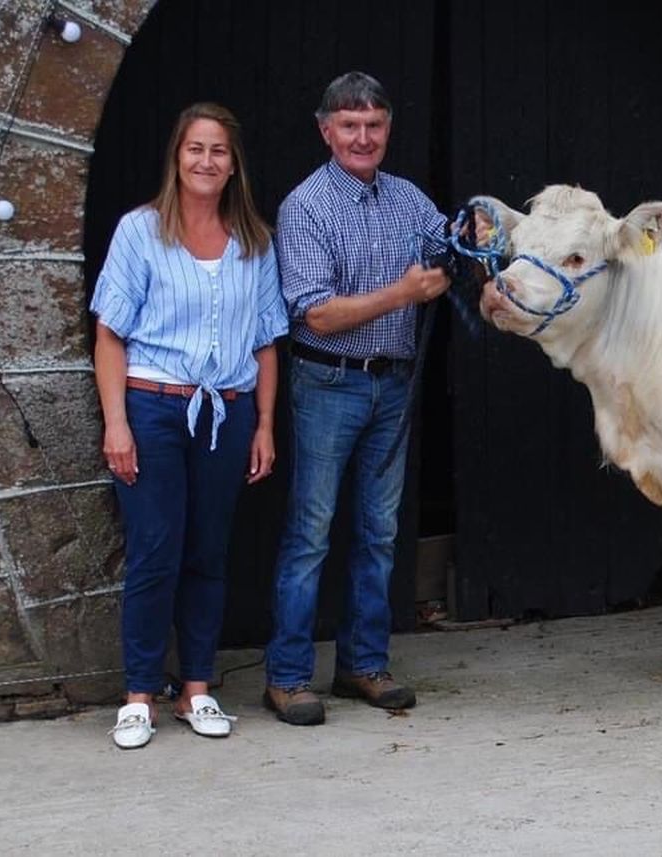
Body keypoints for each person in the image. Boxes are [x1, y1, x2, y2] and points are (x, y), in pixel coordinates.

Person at [91, 102, 289, 748]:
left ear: (234, 165)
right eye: (196, 149)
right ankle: (140, 693)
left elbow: (265, 342)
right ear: (178, 156)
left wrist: (262, 423)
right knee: (154, 549)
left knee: (209, 550)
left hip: (225, 412)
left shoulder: (254, 241)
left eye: (219, 151)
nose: (207, 161)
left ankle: (197, 688)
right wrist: (116, 422)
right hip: (152, 407)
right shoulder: (140, 232)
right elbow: (110, 334)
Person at [263, 71, 451, 726]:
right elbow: (314, 315)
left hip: (391, 384)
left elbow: (453, 240)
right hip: (328, 380)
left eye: (373, 125)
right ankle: (287, 677)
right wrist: (402, 294)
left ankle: (362, 665)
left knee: (379, 532)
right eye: (349, 126)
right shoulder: (305, 207)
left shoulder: (408, 201)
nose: (362, 137)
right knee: (311, 532)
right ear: (326, 131)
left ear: (387, 129)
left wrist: (485, 231)